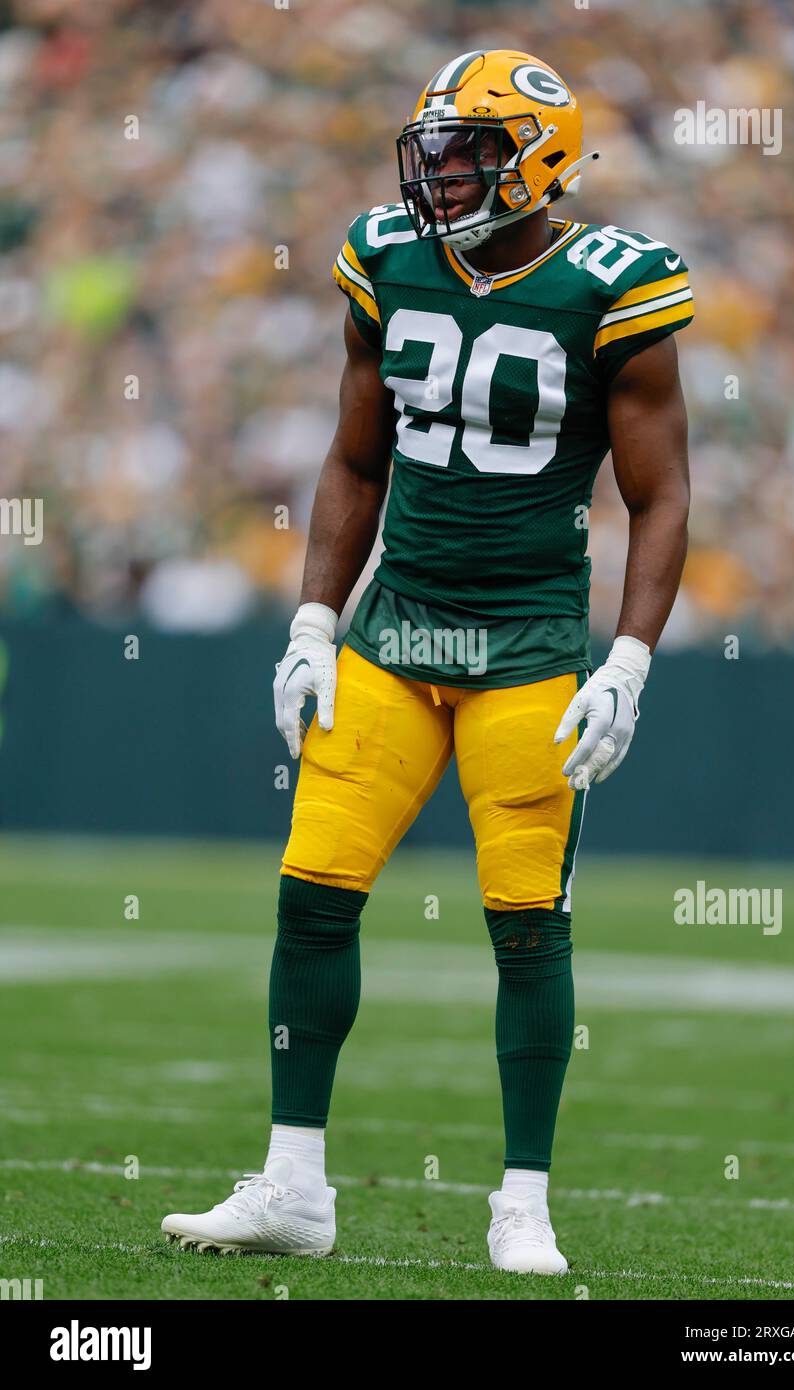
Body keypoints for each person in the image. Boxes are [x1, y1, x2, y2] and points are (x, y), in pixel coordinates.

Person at [162, 48, 692, 1275]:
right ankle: (293, 1183)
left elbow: (659, 498)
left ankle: (521, 1199)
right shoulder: (385, 260)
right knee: (311, 893)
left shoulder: (616, 283)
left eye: (471, 150)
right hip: (397, 631)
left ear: (540, 160)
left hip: (525, 641)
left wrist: (627, 661)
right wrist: (310, 620)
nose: (442, 172)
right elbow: (354, 462)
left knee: (524, 923)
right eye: (437, 147)